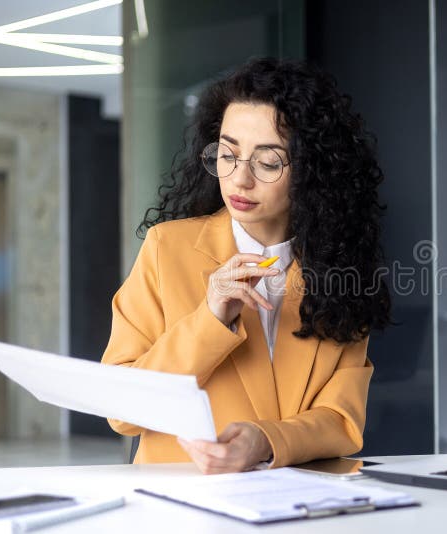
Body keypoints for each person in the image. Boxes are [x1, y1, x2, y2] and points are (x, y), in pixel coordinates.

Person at [101, 57, 391, 474]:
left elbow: (342, 422)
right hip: (181, 497)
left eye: (268, 162)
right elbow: (120, 410)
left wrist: (266, 441)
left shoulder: (341, 274)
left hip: (297, 499)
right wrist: (210, 319)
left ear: (313, 171)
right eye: (227, 154)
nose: (240, 179)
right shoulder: (167, 249)